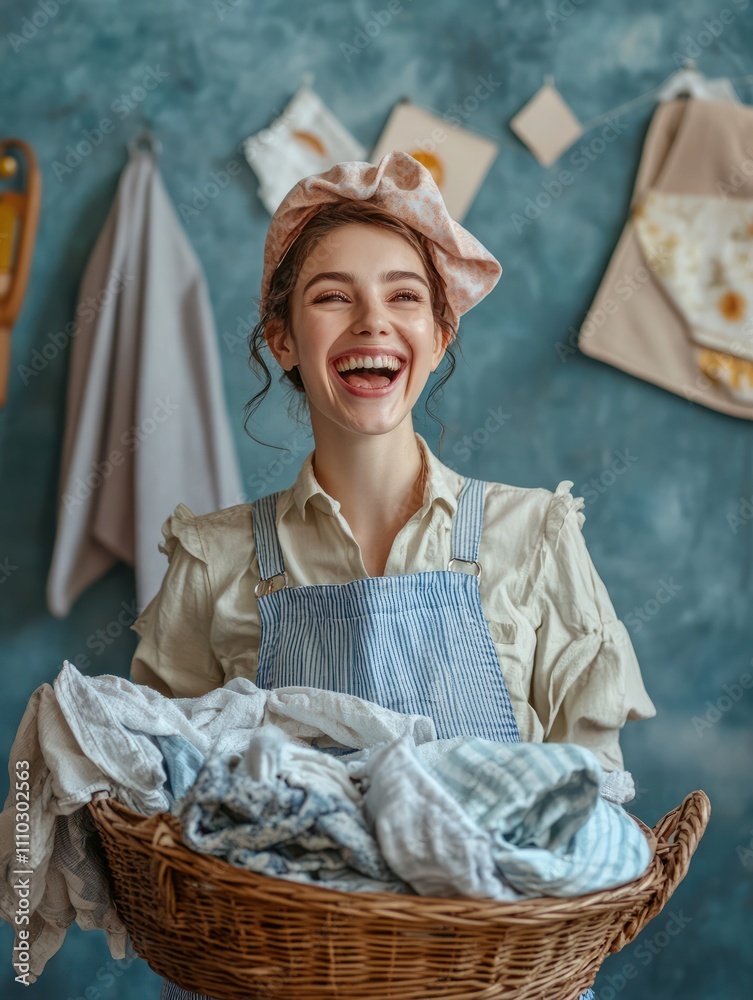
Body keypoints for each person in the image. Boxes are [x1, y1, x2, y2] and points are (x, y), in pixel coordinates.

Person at [130, 151, 656, 1000]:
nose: (372, 320)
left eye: (404, 295)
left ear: (440, 333)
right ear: (282, 339)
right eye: (332, 296)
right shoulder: (213, 559)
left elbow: (584, 816)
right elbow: (162, 816)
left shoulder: (536, 537)